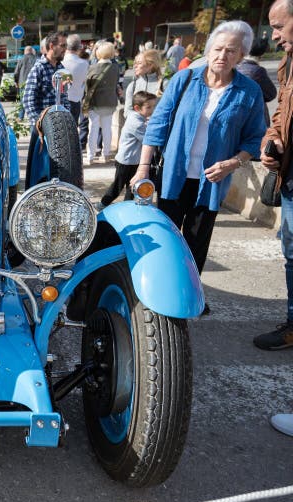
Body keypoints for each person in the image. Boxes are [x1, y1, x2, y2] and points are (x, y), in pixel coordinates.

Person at [131, 20, 266, 308]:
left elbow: (254, 139)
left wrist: (233, 162)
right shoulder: (184, 80)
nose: (222, 56)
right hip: (174, 177)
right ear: (208, 50)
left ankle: (190, 298)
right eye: (218, 49)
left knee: (196, 243)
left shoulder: (249, 92)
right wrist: (143, 168)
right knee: (165, 239)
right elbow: (157, 124)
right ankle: (159, 295)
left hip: (212, 182)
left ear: (241, 55)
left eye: (231, 51)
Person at [253, 0, 293, 442]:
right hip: (291, 178)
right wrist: (272, 138)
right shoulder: (287, 65)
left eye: (279, 26)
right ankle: (292, 325)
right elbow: (282, 112)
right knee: (292, 258)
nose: (275, 35)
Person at [23, 31, 69, 186]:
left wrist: (68, 119)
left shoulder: (62, 68)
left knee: (59, 168)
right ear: (51, 46)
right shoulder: (39, 68)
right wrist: (39, 124)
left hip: (60, 127)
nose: (65, 49)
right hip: (43, 129)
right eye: (62, 45)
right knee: (41, 170)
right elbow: (28, 100)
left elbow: (64, 98)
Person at [97, 91, 158, 208]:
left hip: (134, 161)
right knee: (118, 186)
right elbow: (148, 138)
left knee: (133, 186)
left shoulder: (139, 118)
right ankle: (103, 203)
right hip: (126, 161)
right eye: (149, 107)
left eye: (154, 106)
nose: (152, 110)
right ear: (137, 108)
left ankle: (128, 205)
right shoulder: (136, 122)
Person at [83, 41, 120, 163]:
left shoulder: (93, 68)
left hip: (95, 103)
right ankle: (106, 154)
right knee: (107, 129)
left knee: (93, 130)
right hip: (110, 102)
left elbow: (87, 88)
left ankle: (90, 156)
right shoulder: (115, 68)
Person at [237, 39, 278, 126]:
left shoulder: (232, 66)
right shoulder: (257, 71)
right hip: (253, 117)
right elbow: (271, 94)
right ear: (261, 54)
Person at [123, 49, 166, 118]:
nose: (135, 66)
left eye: (139, 63)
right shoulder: (133, 85)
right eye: (135, 63)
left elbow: (168, 110)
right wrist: (140, 121)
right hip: (136, 127)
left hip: (156, 127)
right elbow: (127, 112)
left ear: (150, 65)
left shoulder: (164, 85)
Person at [62, 34, 89, 143]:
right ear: (79, 47)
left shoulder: (61, 62)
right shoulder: (84, 63)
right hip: (76, 99)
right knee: (72, 130)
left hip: (62, 99)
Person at [15, 46, 38, 120]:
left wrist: (16, 81)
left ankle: (20, 117)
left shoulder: (21, 59)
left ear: (25, 51)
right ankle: (33, 116)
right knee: (34, 100)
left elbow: (16, 72)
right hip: (34, 82)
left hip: (23, 82)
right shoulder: (36, 59)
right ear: (31, 51)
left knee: (23, 100)